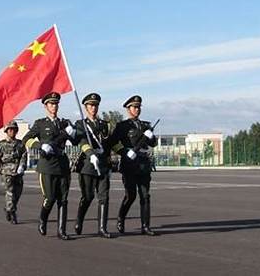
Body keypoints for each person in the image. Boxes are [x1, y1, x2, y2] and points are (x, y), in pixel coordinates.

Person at [22, 92, 76, 240]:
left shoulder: (65, 123)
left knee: (63, 199)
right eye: (51, 104)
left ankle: (61, 230)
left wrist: (73, 133)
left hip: (63, 164)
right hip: (47, 165)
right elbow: (26, 139)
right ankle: (43, 220)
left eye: (56, 103)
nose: (54, 106)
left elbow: (76, 139)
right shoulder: (40, 123)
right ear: (46, 106)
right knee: (50, 198)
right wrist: (40, 145)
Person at [109, 95, 158, 236]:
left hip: (143, 164)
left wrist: (151, 137)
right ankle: (121, 217)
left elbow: (152, 144)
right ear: (128, 109)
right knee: (131, 195)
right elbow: (113, 143)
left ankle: (145, 226)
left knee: (145, 195)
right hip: (129, 164)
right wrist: (125, 152)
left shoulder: (146, 125)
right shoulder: (122, 126)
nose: (137, 110)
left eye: (138, 107)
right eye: (134, 107)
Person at [73, 93, 113, 238]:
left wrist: (109, 164)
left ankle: (102, 228)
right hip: (87, 165)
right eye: (90, 105)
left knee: (104, 197)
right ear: (85, 107)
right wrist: (91, 154)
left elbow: (108, 145)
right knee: (88, 196)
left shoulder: (104, 125)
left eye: (95, 105)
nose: (93, 108)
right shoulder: (80, 124)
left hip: (102, 165)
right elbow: (82, 141)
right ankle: (79, 220)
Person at [0, 121, 27, 224]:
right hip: (6, 172)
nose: (12, 131)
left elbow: (24, 156)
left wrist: (22, 166)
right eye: (10, 129)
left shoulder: (20, 144)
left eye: (14, 129)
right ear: (6, 131)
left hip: (18, 172)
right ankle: (12, 212)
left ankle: (8, 208)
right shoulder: (2, 144)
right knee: (10, 192)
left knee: (18, 193)